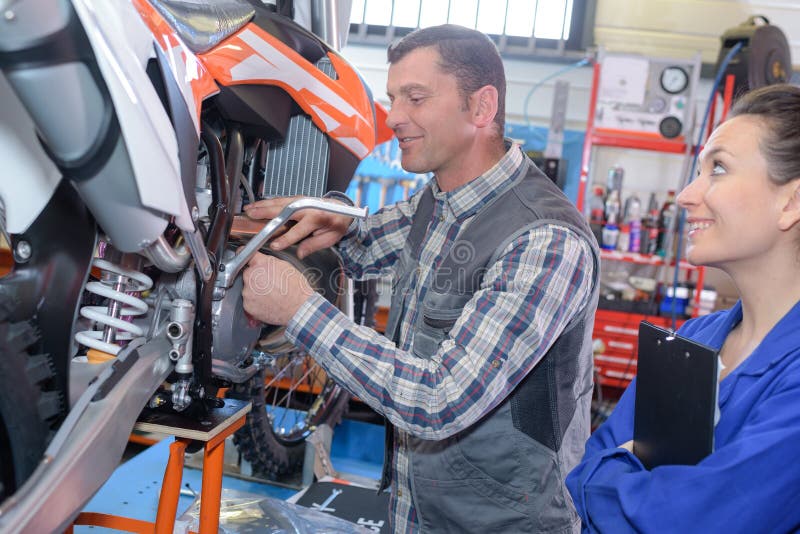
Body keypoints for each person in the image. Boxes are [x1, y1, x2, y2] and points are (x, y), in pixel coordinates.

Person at [242, 24, 600, 533]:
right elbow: (368, 239)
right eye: (391, 98)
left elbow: (440, 399)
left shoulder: (544, 240)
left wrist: (299, 310)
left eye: (416, 98)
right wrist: (329, 216)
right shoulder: (440, 200)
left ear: (481, 107)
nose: (392, 118)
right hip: (414, 512)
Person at [566, 83, 800, 533]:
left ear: (790, 201)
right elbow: (588, 469)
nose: (685, 195)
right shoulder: (693, 339)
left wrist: (617, 477)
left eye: (718, 168)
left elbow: (694, 522)